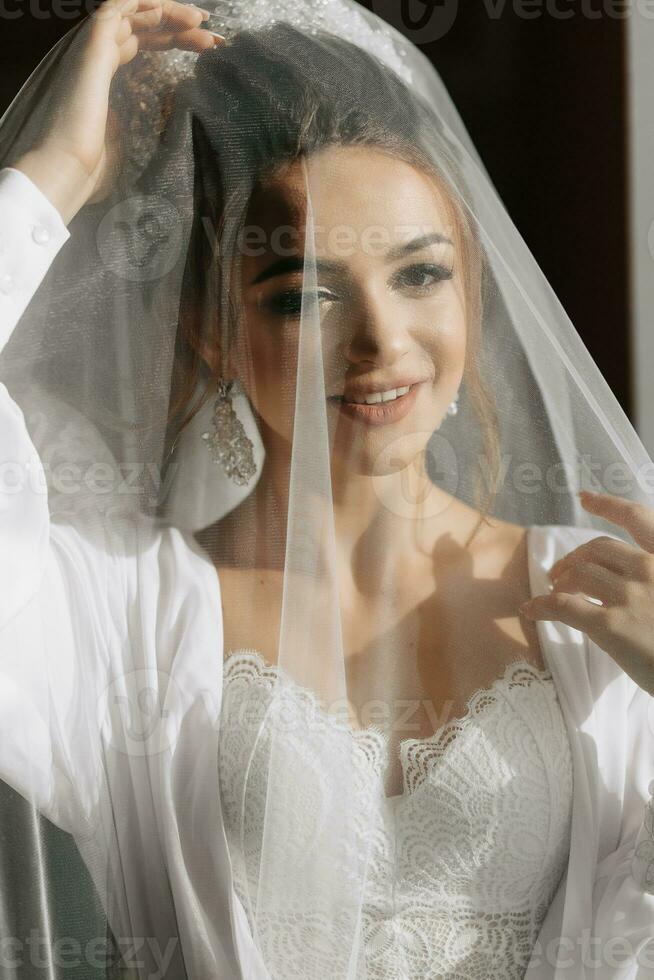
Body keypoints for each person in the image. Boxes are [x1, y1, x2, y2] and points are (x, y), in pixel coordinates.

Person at [1, 0, 654, 977]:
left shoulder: (608, 599)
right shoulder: (112, 616)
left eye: (420, 274)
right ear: (211, 329)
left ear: (473, 286)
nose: (383, 341)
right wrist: (49, 178)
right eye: (305, 291)